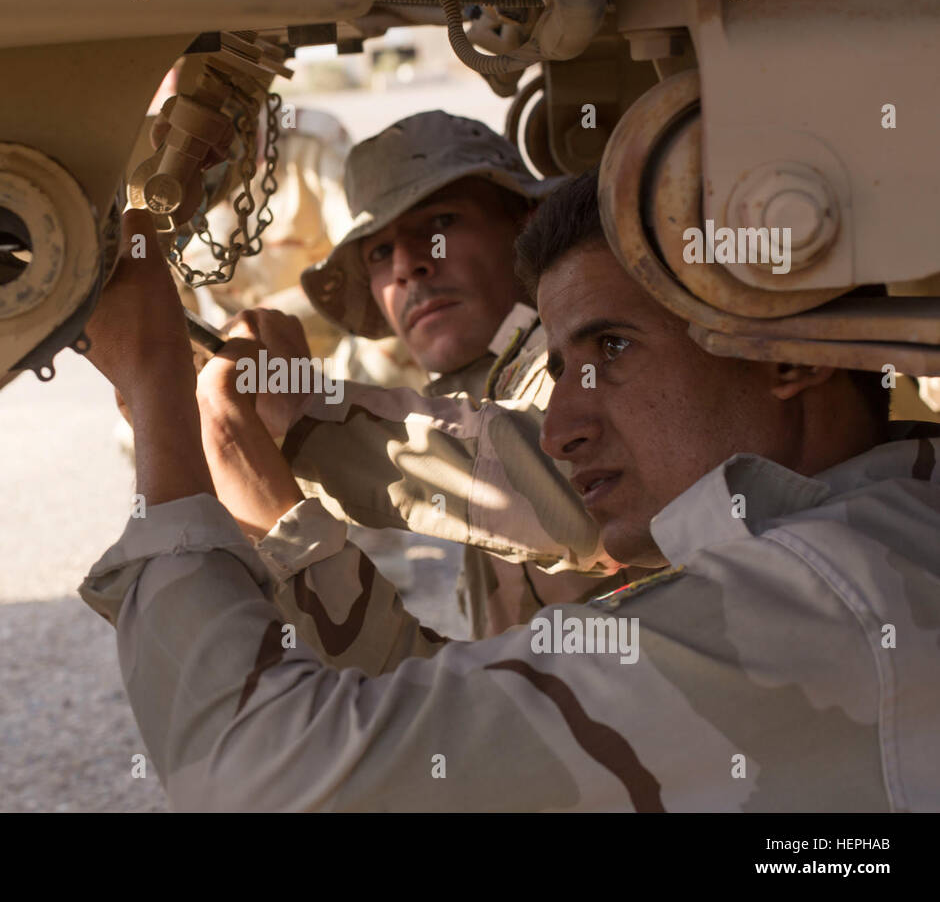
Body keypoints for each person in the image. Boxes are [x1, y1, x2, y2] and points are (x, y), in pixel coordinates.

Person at [75, 169, 940, 811]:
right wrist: (281, 521)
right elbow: (485, 730)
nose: (561, 426)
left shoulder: (828, 600)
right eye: (563, 367)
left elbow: (261, 780)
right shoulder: (867, 539)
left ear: (788, 353)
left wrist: (158, 398)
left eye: (614, 351)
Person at [225, 110, 620, 638]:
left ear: (527, 226)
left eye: (440, 223)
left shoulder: (595, 347)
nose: (410, 264)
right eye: (381, 252)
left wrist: (304, 414)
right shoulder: (483, 386)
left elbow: (585, 500)